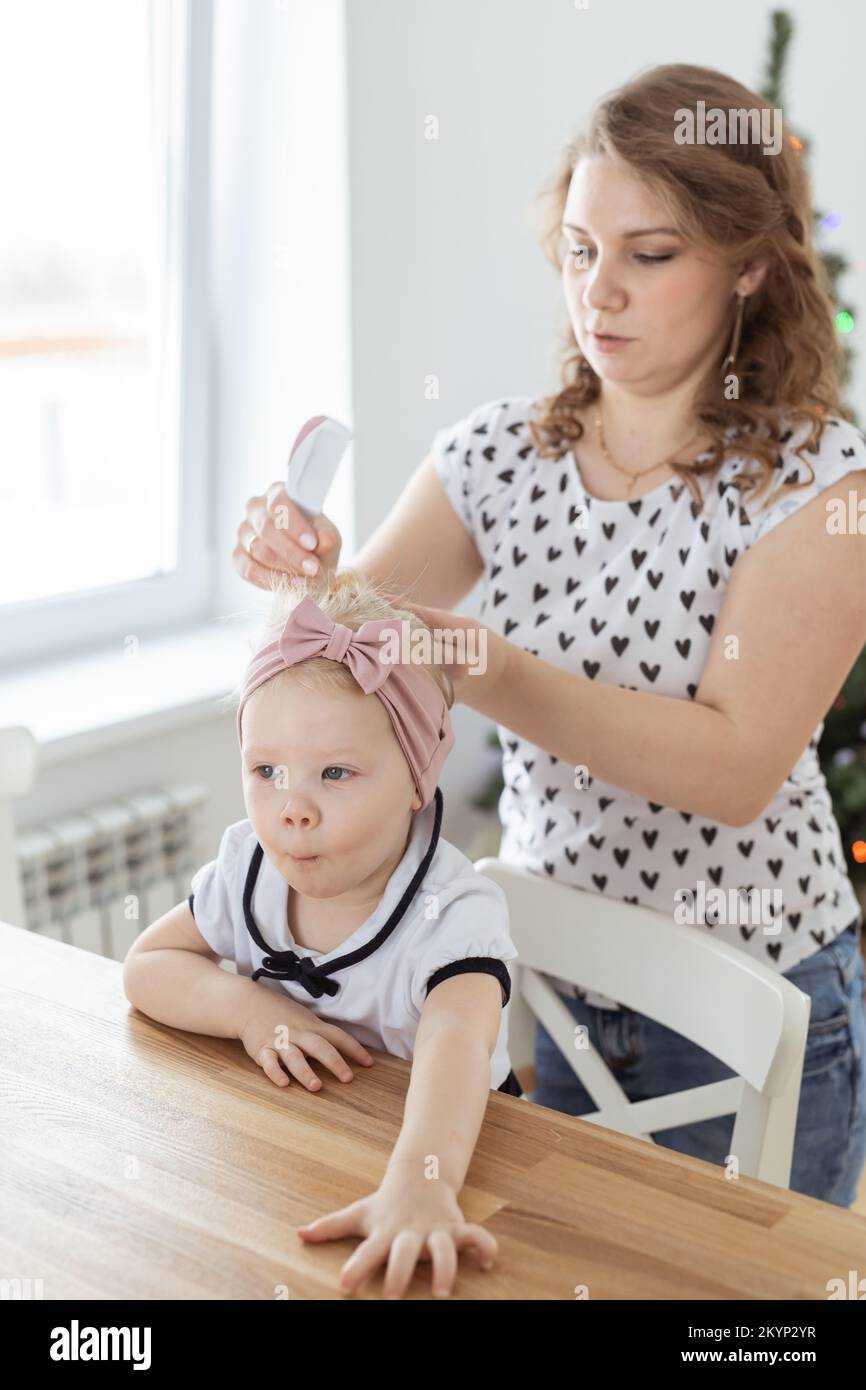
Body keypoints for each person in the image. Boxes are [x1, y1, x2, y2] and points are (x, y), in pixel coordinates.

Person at [232, 64, 866, 1207]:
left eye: (649, 253)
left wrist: (493, 673)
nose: (599, 291)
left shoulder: (817, 486)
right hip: (553, 984)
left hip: (757, 1001)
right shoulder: (497, 456)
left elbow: (731, 767)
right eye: (578, 249)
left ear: (750, 266)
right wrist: (309, 578)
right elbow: (346, 658)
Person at [123, 571, 522, 1299]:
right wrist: (251, 1010)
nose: (292, 810)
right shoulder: (251, 868)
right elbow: (147, 965)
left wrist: (420, 1185)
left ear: (417, 779)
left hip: (459, 1164)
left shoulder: (454, 912)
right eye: (266, 771)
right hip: (300, 1158)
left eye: (335, 773)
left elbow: (455, 1047)